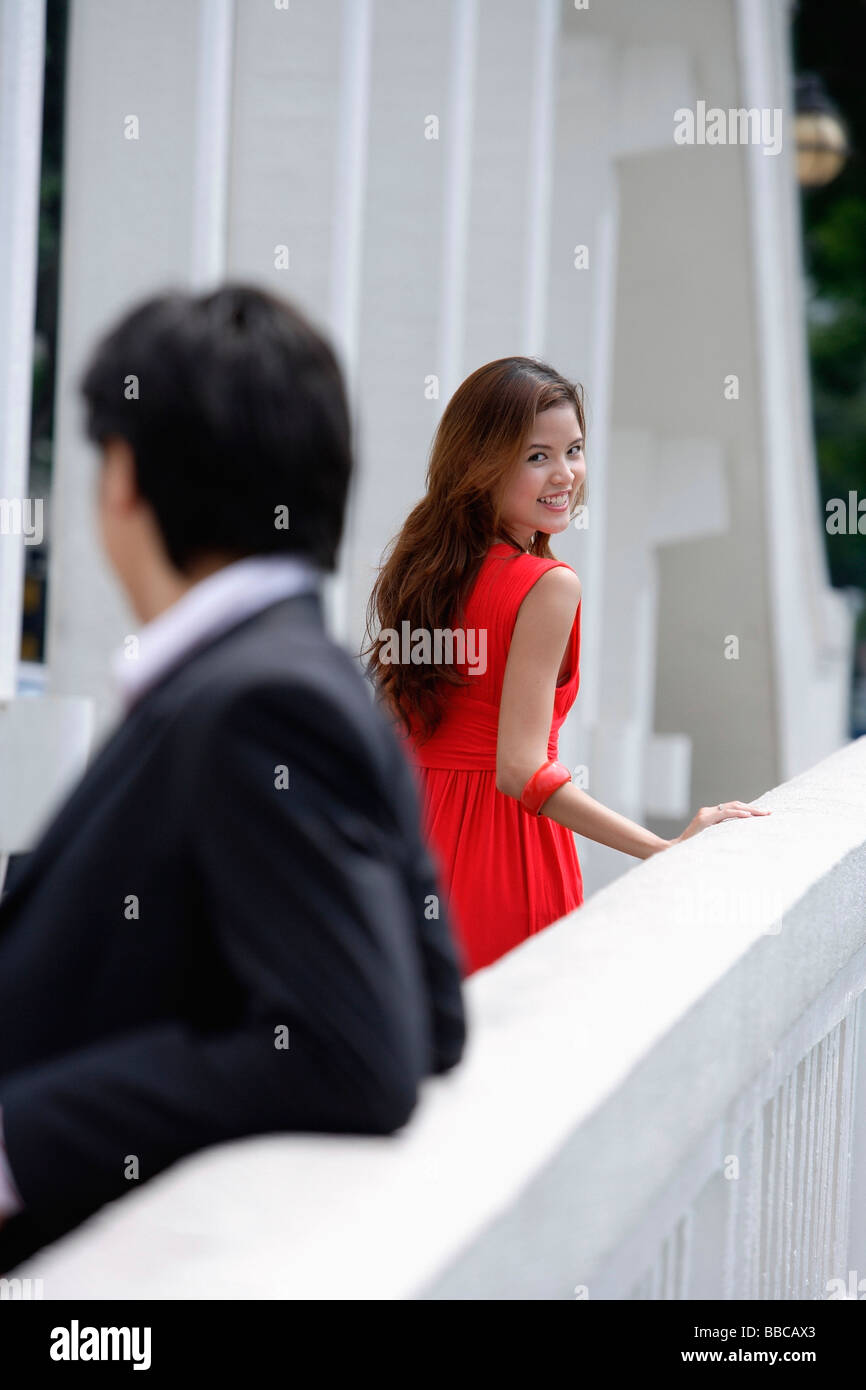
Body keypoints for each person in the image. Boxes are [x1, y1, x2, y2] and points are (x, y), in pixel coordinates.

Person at [0, 285, 466, 1270]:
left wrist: (18, 1139)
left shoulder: (257, 704)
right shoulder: (303, 674)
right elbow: (431, 1011)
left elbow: (354, 1049)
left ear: (124, 476)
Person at [365, 357, 770, 975]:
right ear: (481, 463)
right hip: (503, 857)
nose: (565, 475)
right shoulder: (547, 586)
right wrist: (661, 848)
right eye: (537, 456)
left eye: (574, 450)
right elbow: (520, 769)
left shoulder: (423, 570)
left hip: (410, 854)